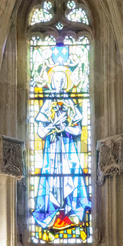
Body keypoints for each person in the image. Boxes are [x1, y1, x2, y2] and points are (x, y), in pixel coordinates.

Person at [33, 66, 91, 236]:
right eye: (55, 81)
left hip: (68, 148)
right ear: (51, 83)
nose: (58, 84)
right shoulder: (47, 105)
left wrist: (64, 126)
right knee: (51, 180)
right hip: (51, 149)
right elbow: (41, 132)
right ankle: (51, 217)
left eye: (61, 81)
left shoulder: (71, 105)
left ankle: (73, 214)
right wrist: (53, 125)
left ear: (65, 83)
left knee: (70, 178)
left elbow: (78, 131)